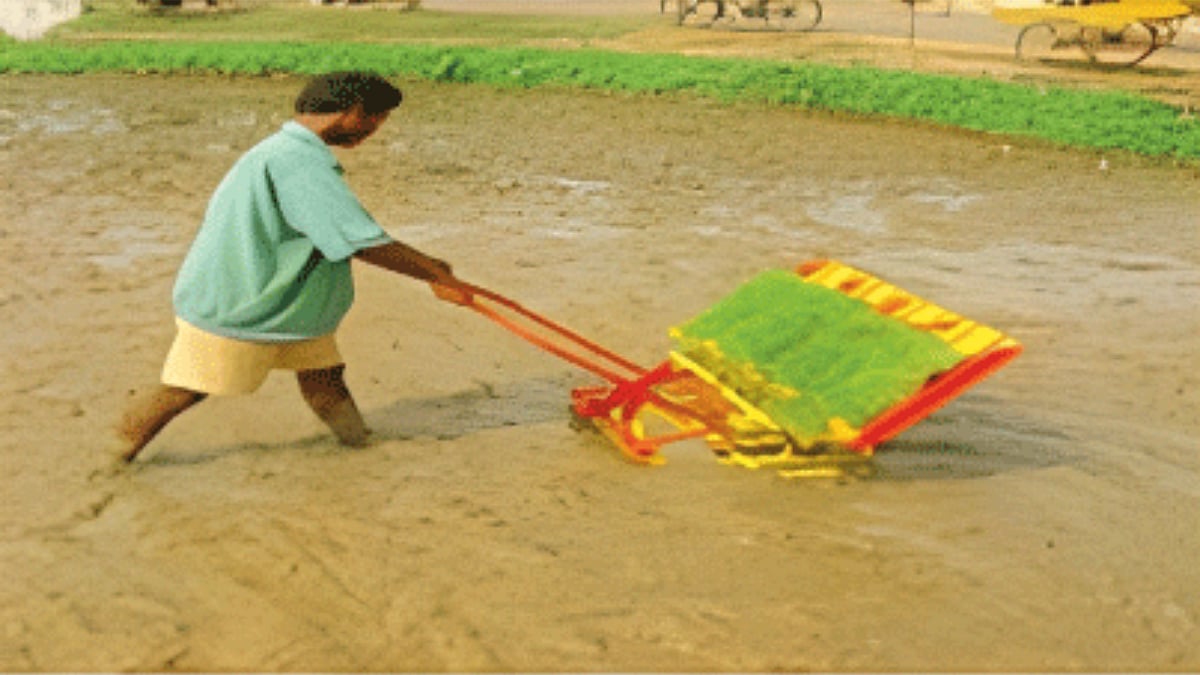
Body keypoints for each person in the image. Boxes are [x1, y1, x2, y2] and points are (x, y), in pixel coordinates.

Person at [112, 71, 471, 464]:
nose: (374, 131)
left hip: (291, 303)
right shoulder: (297, 162)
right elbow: (360, 242)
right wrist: (434, 272)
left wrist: (433, 272)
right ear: (354, 112)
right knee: (185, 388)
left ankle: (363, 453)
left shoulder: (282, 150)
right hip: (246, 301)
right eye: (377, 119)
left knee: (325, 381)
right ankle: (105, 460)